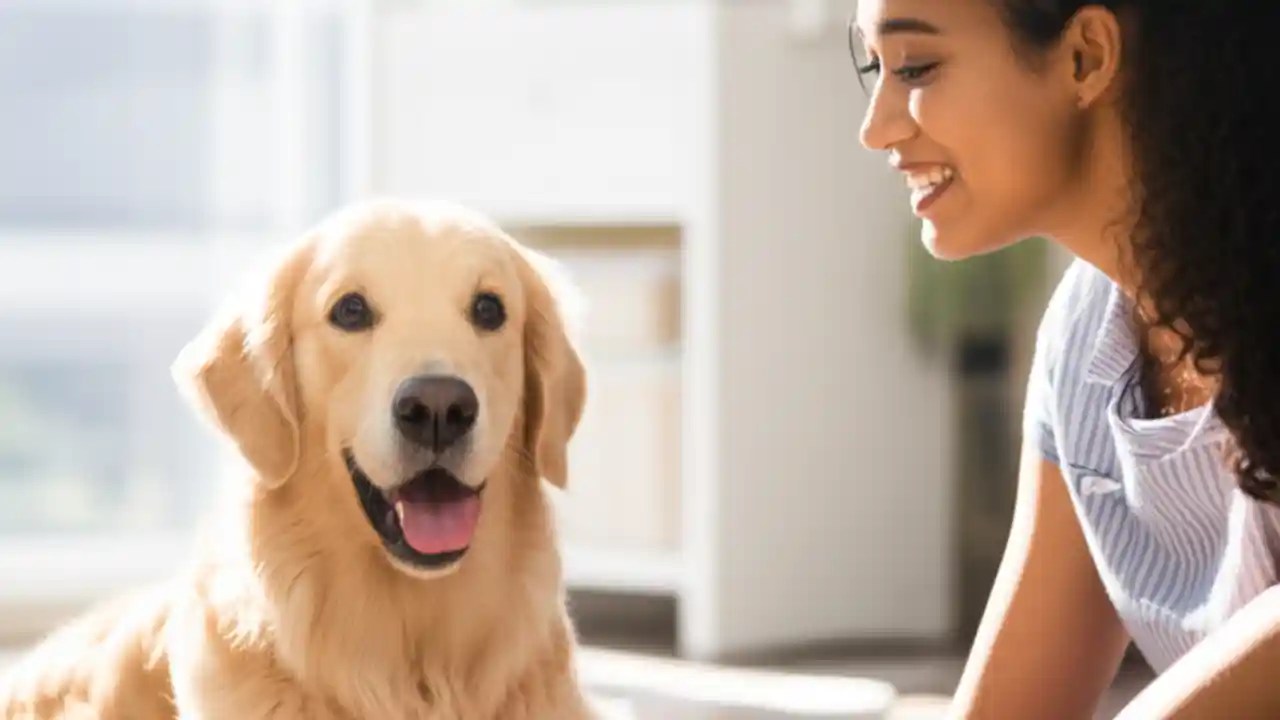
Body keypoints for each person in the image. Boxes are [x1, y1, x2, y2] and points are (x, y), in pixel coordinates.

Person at [852, 1, 1280, 717]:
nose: (877, 128)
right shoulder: (1084, 344)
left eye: (916, 68)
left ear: (1086, 55)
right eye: (876, 71)